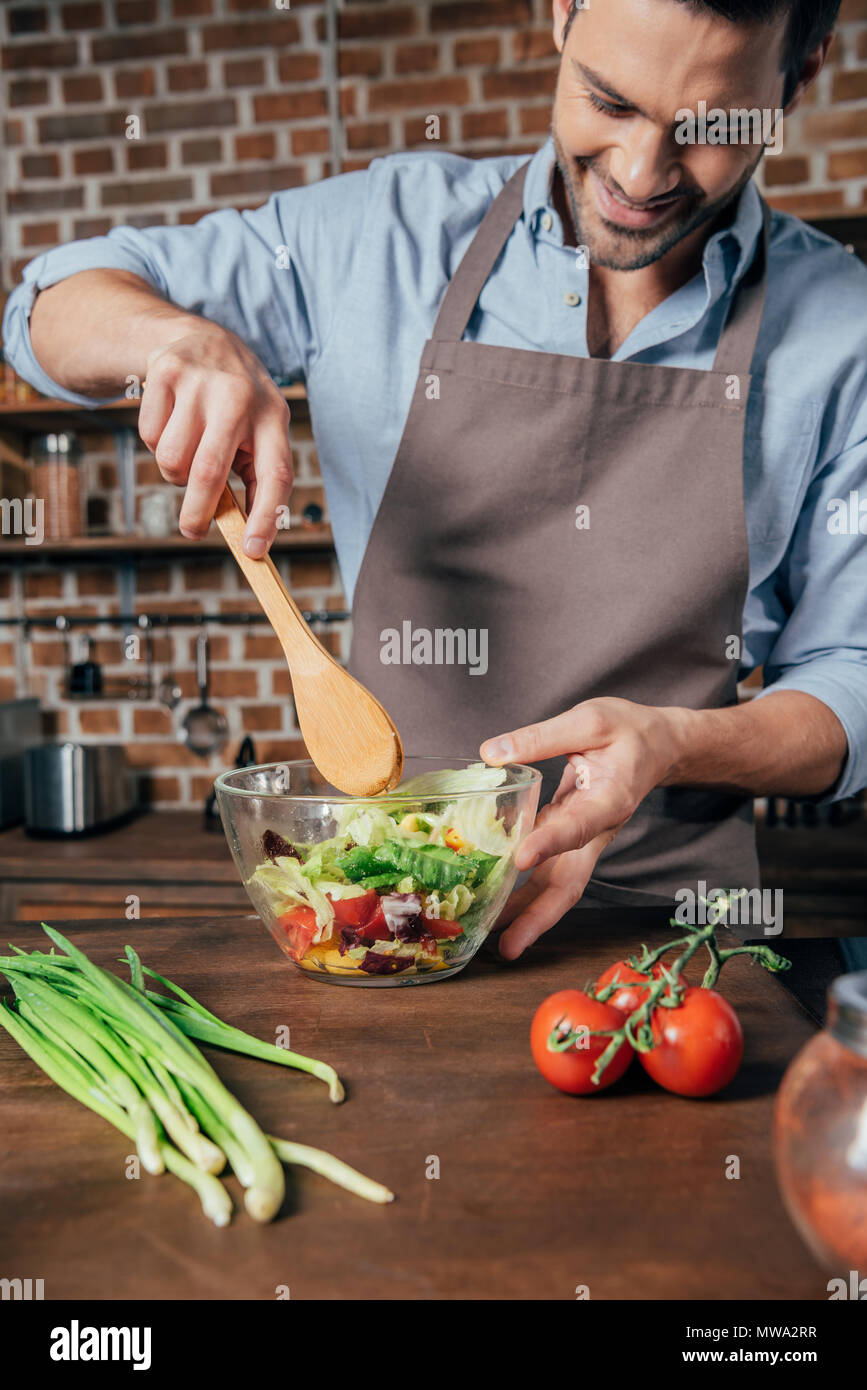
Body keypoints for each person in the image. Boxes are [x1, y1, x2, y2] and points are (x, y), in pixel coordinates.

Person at [5, 0, 865, 962]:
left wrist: (674, 741)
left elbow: (851, 678)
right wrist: (177, 340)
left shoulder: (842, 330)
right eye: (608, 102)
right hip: (386, 927)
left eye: (705, 131)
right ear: (560, 12)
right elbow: (44, 309)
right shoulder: (377, 237)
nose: (637, 173)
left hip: (673, 956)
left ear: (802, 70)